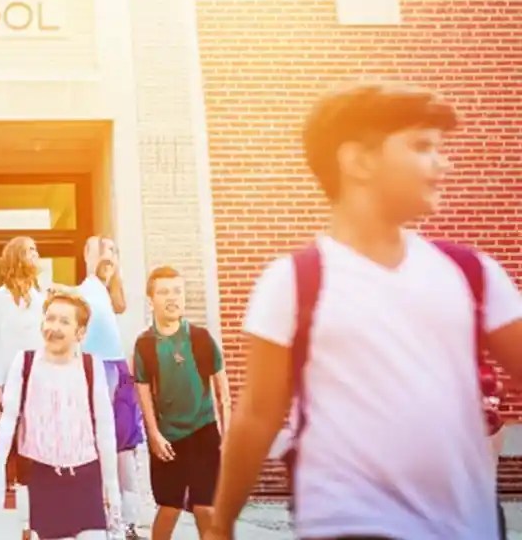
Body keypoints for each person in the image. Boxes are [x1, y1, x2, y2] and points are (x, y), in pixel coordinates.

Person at [206, 83, 522, 540]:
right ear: (358, 161)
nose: (443, 165)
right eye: (421, 147)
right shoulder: (294, 281)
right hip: (345, 523)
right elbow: (257, 412)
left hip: (462, 526)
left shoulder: (471, 274)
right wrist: (221, 521)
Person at [0, 287, 123, 540]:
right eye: (50, 318)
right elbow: (8, 420)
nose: (54, 327)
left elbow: (105, 428)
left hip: (85, 474)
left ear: (80, 332)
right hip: (41, 475)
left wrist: (111, 486)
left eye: (64, 321)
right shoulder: (24, 363)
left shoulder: (92, 367)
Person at [133, 266, 229, 540]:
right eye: (164, 292)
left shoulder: (201, 338)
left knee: (206, 510)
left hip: (204, 431)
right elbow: (143, 392)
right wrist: (153, 434)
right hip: (168, 438)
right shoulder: (145, 345)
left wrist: (227, 435)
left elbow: (223, 392)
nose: (172, 297)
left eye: (177, 291)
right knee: (168, 509)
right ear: (151, 300)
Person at [78, 237, 147, 540]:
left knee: (125, 452)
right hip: (96, 370)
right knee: (99, 448)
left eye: (114, 252)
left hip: (123, 375)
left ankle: (128, 524)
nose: (109, 258)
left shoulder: (123, 298)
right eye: (101, 252)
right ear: (87, 257)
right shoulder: (84, 293)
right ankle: (104, 521)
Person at [0, 236, 47, 540]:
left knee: (44, 448)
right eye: (30, 249)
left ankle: (46, 518)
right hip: (13, 380)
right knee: (22, 454)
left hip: (45, 378)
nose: (36, 254)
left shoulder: (45, 295)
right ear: (16, 257)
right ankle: (26, 524)